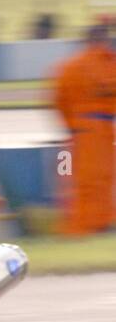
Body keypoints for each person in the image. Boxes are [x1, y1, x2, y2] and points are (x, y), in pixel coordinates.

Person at [51, 24, 116, 235]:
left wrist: (72, 126)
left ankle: (81, 226)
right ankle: (99, 224)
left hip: (81, 130)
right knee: (103, 180)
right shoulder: (110, 63)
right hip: (105, 128)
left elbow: (59, 100)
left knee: (79, 181)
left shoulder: (69, 66)